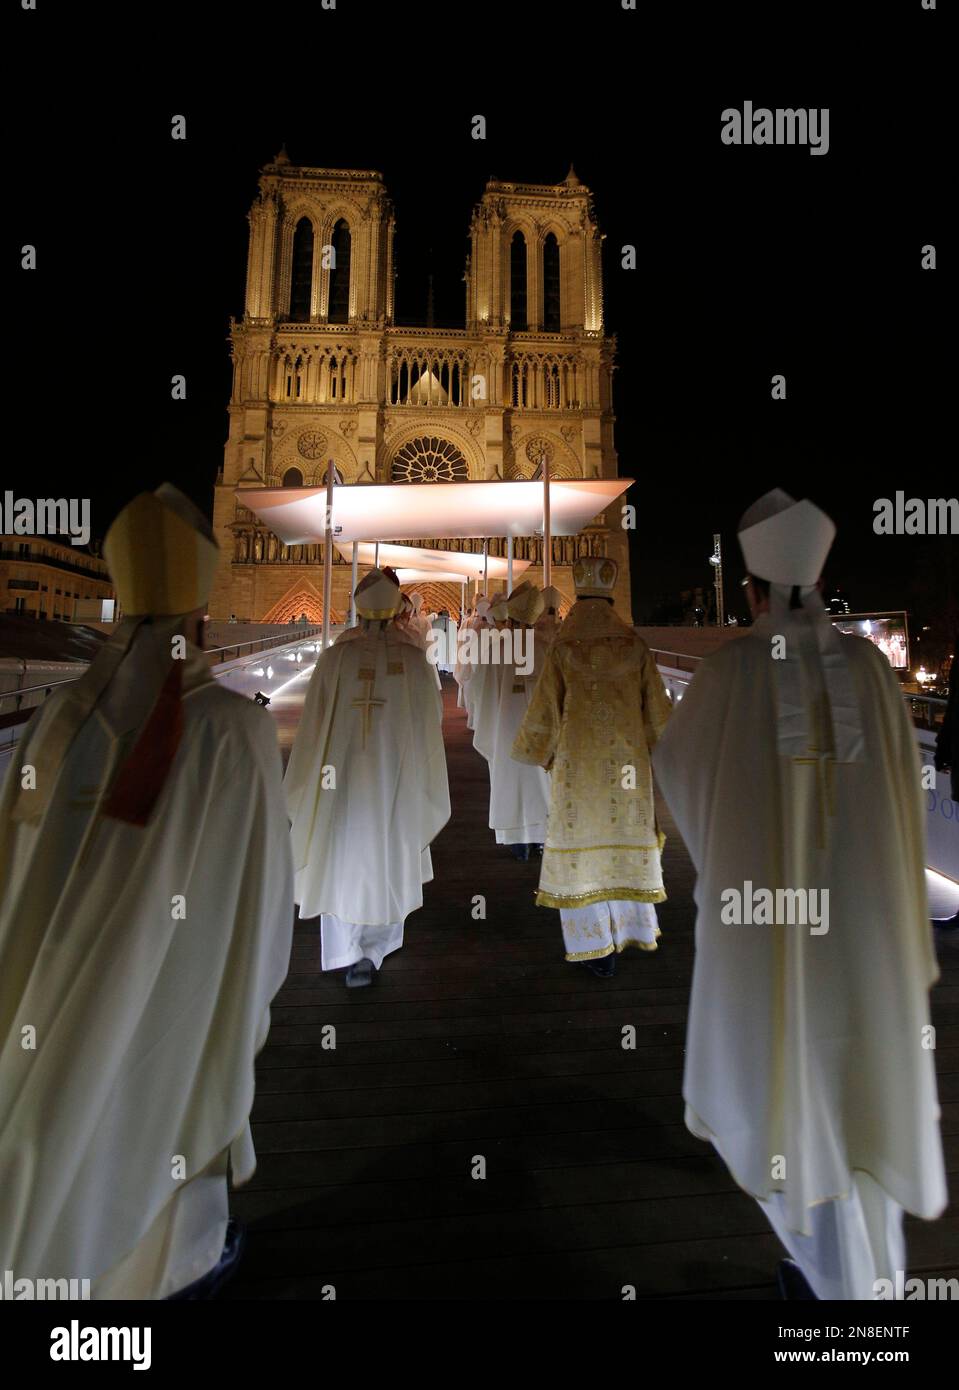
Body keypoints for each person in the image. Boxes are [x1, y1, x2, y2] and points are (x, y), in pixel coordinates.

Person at [0, 484, 294, 1300]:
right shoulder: (232, 730)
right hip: (175, 1000)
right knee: (166, 1163)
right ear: (203, 607)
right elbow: (267, 908)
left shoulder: (52, 718)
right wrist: (247, 1010)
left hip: (33, 1011)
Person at [652, 489, 947, 1300]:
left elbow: (678, 773)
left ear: (750, 590)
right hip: (867, 933)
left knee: (777, 1093)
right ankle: (869, 1283)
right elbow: (899, 800)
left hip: (765, 934)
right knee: (863, 1100)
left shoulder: (727, 672)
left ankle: (835, 1291)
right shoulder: (870, 672)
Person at [284, 568, 450, 987]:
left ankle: (346, 947)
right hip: (395, 777)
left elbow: (312, 724)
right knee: (390, 847)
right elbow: (430, 722)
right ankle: (377, 944)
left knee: (340, 853)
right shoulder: (413, 660)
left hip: (336, 779)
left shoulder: (335, 657)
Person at [512, 556, 672, 975]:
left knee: (581, 843)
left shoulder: (566, 646)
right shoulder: (633, 646)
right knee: (625, 834)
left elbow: (545, 711)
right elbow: (659, 716)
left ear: (578, 598)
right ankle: (630, 929)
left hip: (576, 770)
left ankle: (596, 946)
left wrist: (538, 752)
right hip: (628, 771)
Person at [471, 581, 550, 860]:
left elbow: (481, 692)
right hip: (543, 733)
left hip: (505, 730)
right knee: (542, 782)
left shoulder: (496, 649)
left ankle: (519, 841)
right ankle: (543, 838)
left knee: (510, 778)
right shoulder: (548, 649)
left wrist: (487, 729)